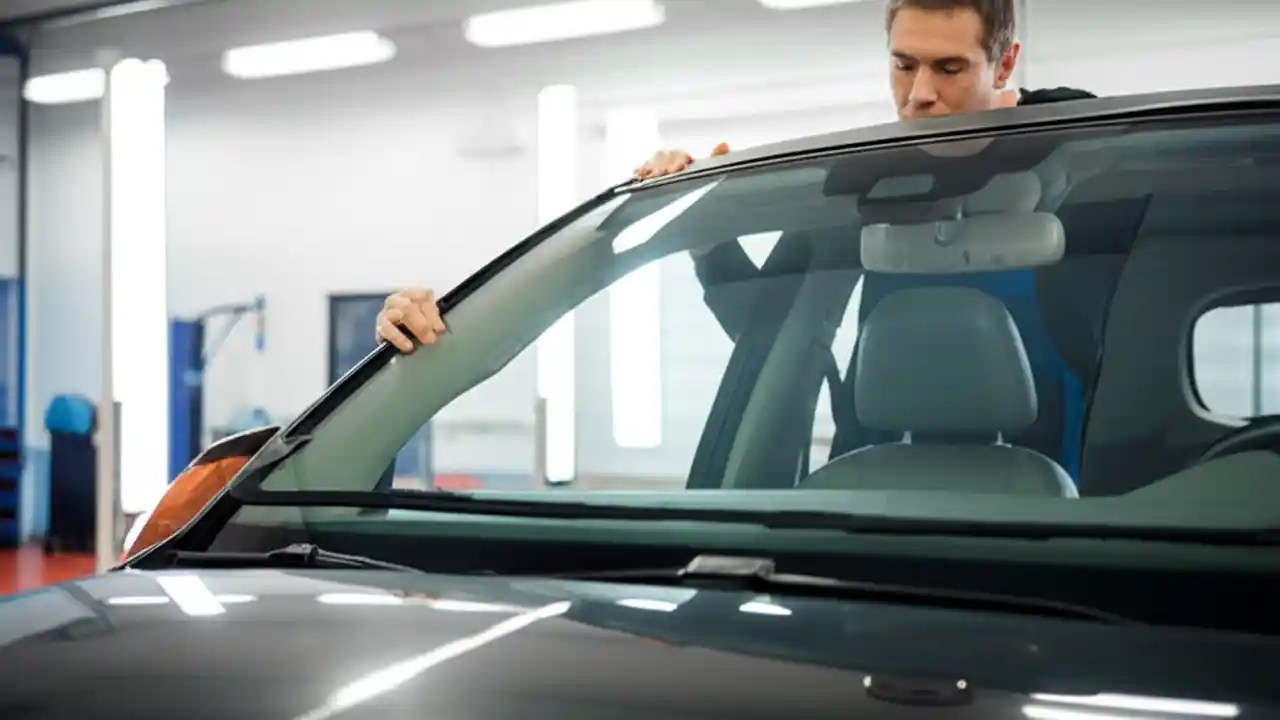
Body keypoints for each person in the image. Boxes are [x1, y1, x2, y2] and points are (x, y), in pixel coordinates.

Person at [375, 0, 1093, 352]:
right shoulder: (860, 183)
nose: (919, 95)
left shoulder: (1093, 152)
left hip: (1076, 510)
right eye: (904, 64)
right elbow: (764, 332)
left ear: (1003, 64)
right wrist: (704, 230)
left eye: (949, 68)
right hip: (873, 502)